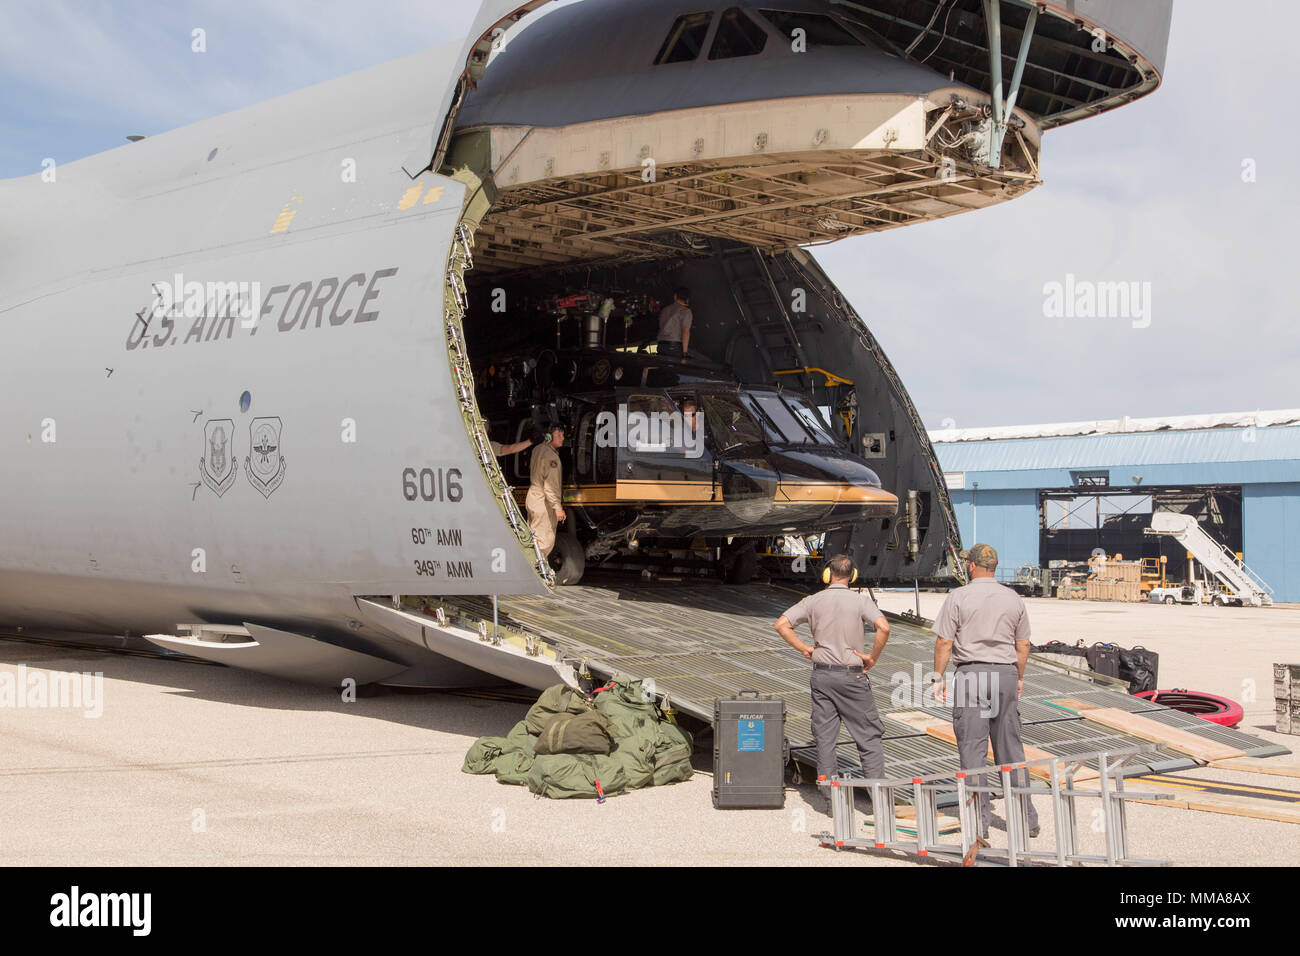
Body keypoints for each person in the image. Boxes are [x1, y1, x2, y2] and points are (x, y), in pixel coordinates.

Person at [931, 543, 1040, 846]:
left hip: (972, 675)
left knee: (973, 750)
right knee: (1011, 749)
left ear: (972, 566)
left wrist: (937, 677)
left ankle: (979, 823)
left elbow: (943, 641)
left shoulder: (959, 597)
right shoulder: (1013, 598)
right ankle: (1025, 818)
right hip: (1005, 673)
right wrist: (1018, 677)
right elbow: (1024, 645)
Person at [775, 554, 890, 798]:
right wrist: (872, 657)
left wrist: (804, 648)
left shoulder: (813, 600)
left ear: (828, 575)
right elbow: (884, 627)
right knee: (868, 737)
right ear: (853, 575)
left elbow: (781, 624)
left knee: (825, 740)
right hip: (852, 677)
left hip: (822, 677)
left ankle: (830, 799)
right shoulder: (860, 601)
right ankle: (878, 798)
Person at [525, 424, 565, 559]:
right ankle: (537, 572)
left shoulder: (537, 449)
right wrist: (558, 507)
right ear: (548, 437)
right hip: (543, 502)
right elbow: (550, 485)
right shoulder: (552, 457)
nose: (562, 438)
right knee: (544, 541)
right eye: (558, 435)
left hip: (533, 497)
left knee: (533, 538)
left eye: (563, 435)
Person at [656, 287, 693, 358]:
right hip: (674, 347)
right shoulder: (686, 311)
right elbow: (686, 331)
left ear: (675, 296)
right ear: (687, 299)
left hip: (661, 346)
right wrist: (685, 352)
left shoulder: (665, 310)